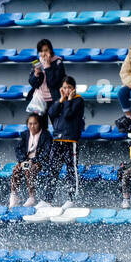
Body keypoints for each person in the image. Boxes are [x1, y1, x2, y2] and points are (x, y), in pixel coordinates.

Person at [47, 75, 85, 203]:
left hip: (70, 141)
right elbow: (51, 113)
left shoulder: (78, 101)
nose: (67, 90)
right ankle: (48, 199)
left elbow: (68, 115)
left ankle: (71, 199)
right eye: (64, 87)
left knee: (71, 170)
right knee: (53, 169)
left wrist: (68, 100)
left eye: (69, 87)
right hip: (58, 139)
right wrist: (62, 100)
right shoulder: (61, 101)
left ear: (74, 89)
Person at [9, 111, 52, 208]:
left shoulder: (46, 135)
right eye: (30, 124)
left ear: (40, 124)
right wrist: (24, 160)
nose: (32, 126)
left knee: (30, 169)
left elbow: (46, 152)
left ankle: (32, 196)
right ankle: (14, 195)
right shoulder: (25, 134)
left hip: (39, 162)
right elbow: (18, 149)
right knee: (16, 170)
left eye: (35, 123)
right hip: (26, 161)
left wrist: (33, 161)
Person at [25, 38, 65, 116]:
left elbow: (53, 83)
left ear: (50, 50)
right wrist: (36, 74)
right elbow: (33, 84)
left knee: (56, 124)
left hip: (54, 98)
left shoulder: (58, 62)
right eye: (41, 51)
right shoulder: (37, 62)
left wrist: (48, 67)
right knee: (41, 125)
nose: (43, 53)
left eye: (46, 50)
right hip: (40, 99)